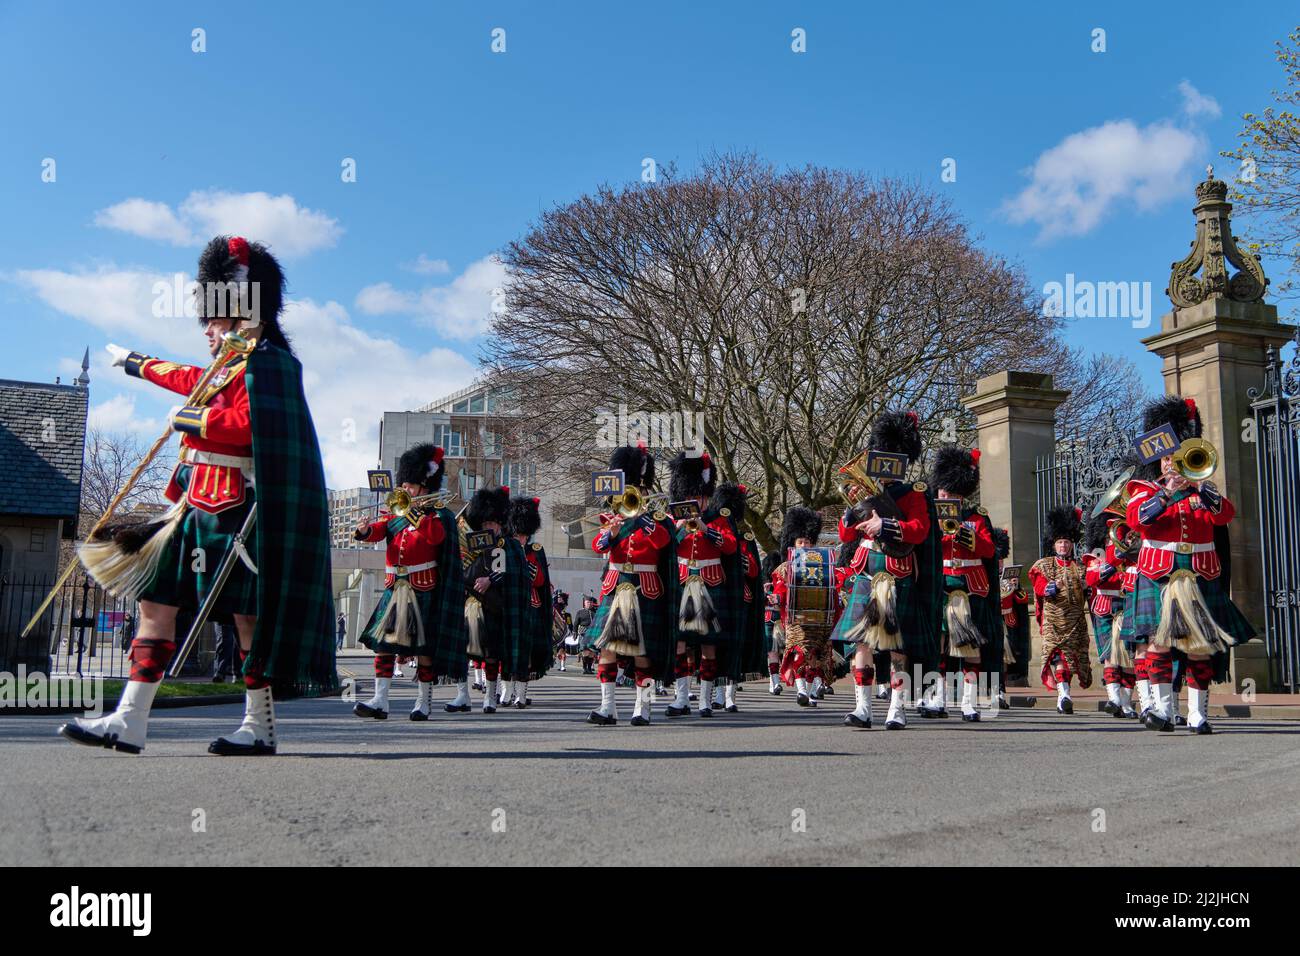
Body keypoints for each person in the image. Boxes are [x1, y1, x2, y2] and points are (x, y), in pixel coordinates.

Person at [61, 235, 337, 755]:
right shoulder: (226, 365)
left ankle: (259, 726)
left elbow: (256, 424)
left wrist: (194, 417)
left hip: (239, 512)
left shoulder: (272, 363)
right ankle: (129, 719)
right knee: (154, 602)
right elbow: (187, 375)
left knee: (247, 621)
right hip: (194, 507)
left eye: (216, 317)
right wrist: (138, 363)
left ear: (242, 308)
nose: (208, 328)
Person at [1123, 396, 1254, 734]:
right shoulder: (1143, 489)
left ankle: (1198, 715)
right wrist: (1166, 493)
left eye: (1177, 458)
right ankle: (1164, 712)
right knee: (1158, 643)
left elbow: (1226, 514)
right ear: (1159, 461)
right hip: (1160, 573)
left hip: (1199, 572)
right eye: (1167, 458)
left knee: (1200, 646)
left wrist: (1198, 486)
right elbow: (1139, 520)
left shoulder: (1202, 491)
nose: (1172, 464)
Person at [830, 410, 942, 730]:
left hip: (897, 575)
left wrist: (886, 524)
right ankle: (862, 708)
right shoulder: (866, 493)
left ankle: (897, 707)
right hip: (867, 573)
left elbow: (919, 530)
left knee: (897, 647)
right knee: (860, 645)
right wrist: (851, 515)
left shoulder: (914, 494)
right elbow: (846, 535)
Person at [353, 443, 469, 720]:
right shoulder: (396, 511)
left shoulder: (438, 514)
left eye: (410, 485)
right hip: (396, 587)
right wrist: (364, 529)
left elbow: (436, 538)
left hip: (424, 587)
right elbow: (379, 531)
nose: (404, 489)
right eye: (403, 483)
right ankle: (380, 700)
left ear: (424, 485)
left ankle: (424, 702)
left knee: (424, 649)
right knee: (384, 645)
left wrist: (412, 514)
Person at [584, 444, 677, 726]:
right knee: (606, 649)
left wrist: (641, 519)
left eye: (639, 492)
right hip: (616, 585)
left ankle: (643, 708)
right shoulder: (612, 519)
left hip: (644, 587)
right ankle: (607, 707)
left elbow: (663, 543)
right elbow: (597, 545)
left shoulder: (656, 521)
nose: (635, 496)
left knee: (643, 654)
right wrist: (611, 533)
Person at [926, 446, 1001, 722]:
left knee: (970, 647)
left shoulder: (976, 518)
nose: (944, 497)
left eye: (949, 494)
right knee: (941, 646)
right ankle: (939, 698)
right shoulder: (932, 517)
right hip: (942, 584)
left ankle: (969, 702)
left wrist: (964, 536)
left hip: (970, 587)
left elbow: (989, 550)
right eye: (942, 493)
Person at [666, 449, 737, 719]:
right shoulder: (676, 518)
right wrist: (680, 526)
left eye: (700, 495)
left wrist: (706, 529)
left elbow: (730, 547)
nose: (695, 499)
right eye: (691, 494)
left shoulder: (719, 518)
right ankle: (681, 698)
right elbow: (666, 548)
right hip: (684, 581)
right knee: (680, 644)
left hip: (710, 581)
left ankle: (705, 700)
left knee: (709, 644)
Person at [770, 507, 849, 707]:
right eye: (800, 542)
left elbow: (835, 585)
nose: (804, 545)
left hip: (821, 618)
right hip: (796, 618)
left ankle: (813, 690)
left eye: (807, 542)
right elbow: (780, 591)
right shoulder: (785, 568)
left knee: (816, 657)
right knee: (799, 652)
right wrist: (776, 600)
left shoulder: (826, 566)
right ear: (793, 544)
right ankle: (801, 690)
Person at [462, 486, 527, 714]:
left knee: (490, 655)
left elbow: (514, 572)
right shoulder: (470, 541)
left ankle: (490, 696)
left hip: (495, 606)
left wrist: (490, 580)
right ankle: (462, 695)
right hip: (470, 603)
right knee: (464, 651)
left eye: (493, 523)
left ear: (500, 523)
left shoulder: (508, 545)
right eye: (485, 523)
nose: (489, 527)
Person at [1029, 507, 1090, 715]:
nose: (1063, 546)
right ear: (1054, 544)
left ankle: (1065, 693)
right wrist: (1049, 588)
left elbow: (1089, 589)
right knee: (1058, 657)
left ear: (1071, 545)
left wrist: (1087, 586)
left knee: (1071, 658)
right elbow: (1038, 585)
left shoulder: (1081, 566)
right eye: (1059, 542)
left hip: (1075, 622)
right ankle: (1063, 695)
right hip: (1053, 621)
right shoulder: (1044, 565)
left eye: (1066, 542)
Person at [1083, 510, 1138, 718]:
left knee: (1129, 656)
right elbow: (1091, 578)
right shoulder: (1098, 553)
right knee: (1109, 654)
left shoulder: (1132, 549)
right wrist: (1107, 569)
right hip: (1105, 604)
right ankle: (1114, 699)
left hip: (1127, 602)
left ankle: (1126, 703)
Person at [506, 495, 551, 708]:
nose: (520, 538)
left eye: (523, 535)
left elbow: (541, 580)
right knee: (507, 650)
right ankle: (506, 692)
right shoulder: (504, 548)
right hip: (510, 604)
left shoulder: (535, 551)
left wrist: (529, 571)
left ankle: (521, 695)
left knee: (527, 653)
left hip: (531, 605)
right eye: (517, 534)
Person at [994, 528, 1030, 693]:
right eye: (997, 559)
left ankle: (1007, 679)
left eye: (1001, 560)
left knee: (1008, 653)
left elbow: (1022, 599)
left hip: (1009, 619)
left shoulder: (1009, 575)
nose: (999, 562)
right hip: (993, 618)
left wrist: (1015, 587)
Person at [573, 594, 597, 674]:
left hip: (593, 633)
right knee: (585, 651)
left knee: (592, 652)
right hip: (584, 633)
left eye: (590, 602)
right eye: (587, 602)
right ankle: (584, 668)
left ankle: (589, 668)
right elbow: (576, 623)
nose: (589, 604)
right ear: (584, 603)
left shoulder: (596, 612)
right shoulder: (580, 612)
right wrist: (575, 632)